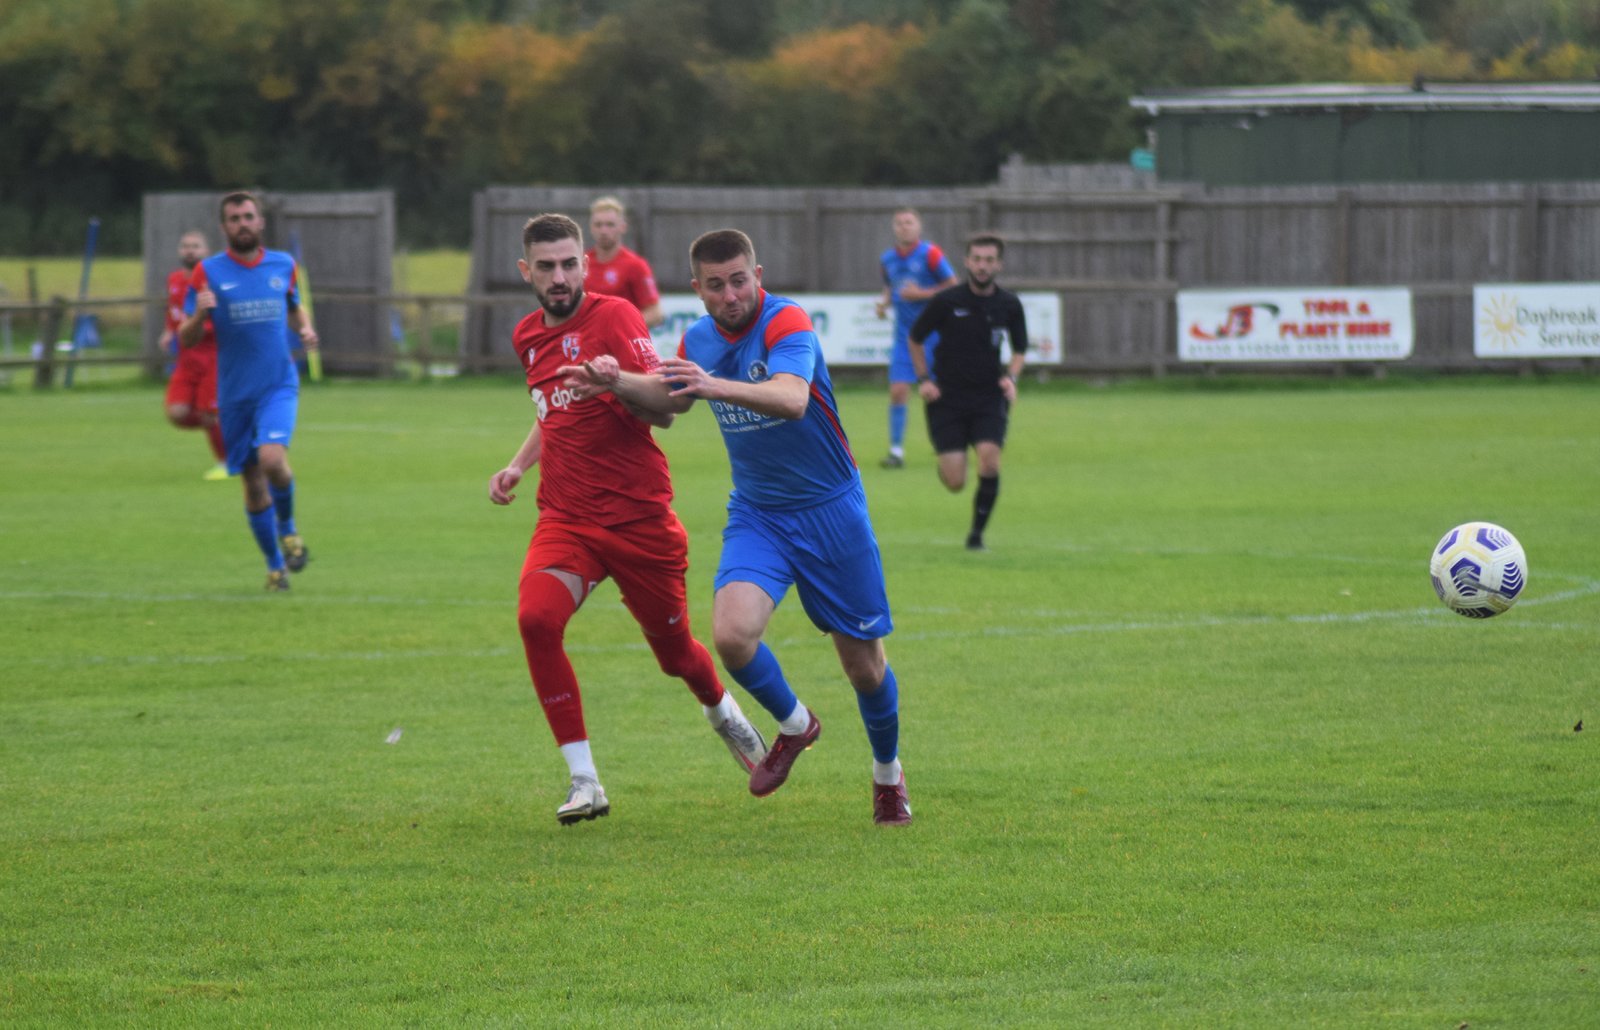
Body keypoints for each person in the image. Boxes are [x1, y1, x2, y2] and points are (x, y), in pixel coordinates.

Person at [562, 228, 912, 826]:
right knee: (731, 636)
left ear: (758, 275)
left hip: (830, 510)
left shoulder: (786, 321)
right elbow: (671, 401)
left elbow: (792, 398)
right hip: (759, 513)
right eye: (716, 285)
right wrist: (614, 380)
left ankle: (887, 774)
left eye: (739, 281)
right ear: (697, 290)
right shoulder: (698, 338)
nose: (730, 295)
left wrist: (712, 384)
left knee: (865, 668)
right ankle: (796, 725)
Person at [489, 212, 768, 827]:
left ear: (585, 263)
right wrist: (517, 465)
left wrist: (615, 383)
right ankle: (584, 779)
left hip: (639, 519)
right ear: (526, 271)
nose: (559, 277)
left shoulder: (614, 316)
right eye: (546, 266)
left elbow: (668, 406)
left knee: (676, 656)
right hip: (567, 517)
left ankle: (720, 708)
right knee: (537, 620)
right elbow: (552, 410)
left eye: (569, 264)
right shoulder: (526, 335)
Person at [178, 192, 318, 591]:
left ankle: (288, 528)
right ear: (224, 227)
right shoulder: (207, 272)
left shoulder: (283, 264)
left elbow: (292, 305)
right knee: (253, 482)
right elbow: (185, 338)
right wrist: (200, 314)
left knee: (272, 459)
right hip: (235, 394)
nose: (242, 223)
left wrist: (305, 328)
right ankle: (275, 567)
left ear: (260, 222)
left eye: (248, 216)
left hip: (277, 383)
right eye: (235, 218)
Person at [908, 232, 1028, 552]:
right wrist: (924, 379)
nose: (982, 266)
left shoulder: (1009, 304)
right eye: (977, 259)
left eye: (989, 260)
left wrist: (1011, 378)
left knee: (989, 461)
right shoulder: (947, 301)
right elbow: (915, 338)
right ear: (967, 262)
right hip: (946, 398)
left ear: (999, 264)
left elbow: (1020, 349)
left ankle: (976, 536)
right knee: (955, 481)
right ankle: (947, 463)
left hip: (989, 396)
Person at [874, 207, 958, 469]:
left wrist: (921, 294)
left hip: (935, 337)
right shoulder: (887, 259)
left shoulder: (930, 254)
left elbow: (953, 286)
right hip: (904, 339)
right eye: (899, 223)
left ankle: (950, 443)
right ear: (894, 228)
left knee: (940, 393)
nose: (904, 227)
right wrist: (884, 304)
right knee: (898, 391)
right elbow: (891, 288)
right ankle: (896, 451)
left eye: (909, 222)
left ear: (918, 227)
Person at [159, 230, 229, 480]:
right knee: (177, 413)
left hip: (213, 357)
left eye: (195, 246)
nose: (190, 251)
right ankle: (231, 426)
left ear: (206, 251)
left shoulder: (213, 282)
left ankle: (225, 462)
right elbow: (174, 311)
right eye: (185, 246)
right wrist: (169, 331)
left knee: (209, 414)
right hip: (187, 359)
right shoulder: (174, 279)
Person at [583, 196, 664, 329]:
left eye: (610, 224)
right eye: (598, 225)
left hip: (621, 339)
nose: (603, 231)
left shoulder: (635, 265)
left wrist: (618, 327)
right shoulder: (581, 263)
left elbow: (655, 313)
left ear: (623, 227)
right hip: (587, 339)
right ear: (591, 228)